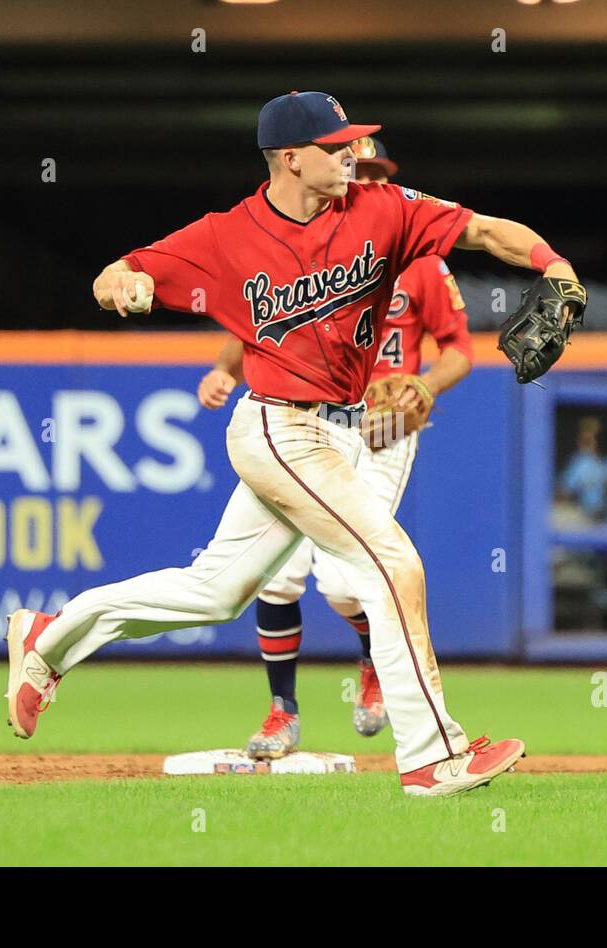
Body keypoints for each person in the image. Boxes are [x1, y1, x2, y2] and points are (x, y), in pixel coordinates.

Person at [3, 90, 583, 796]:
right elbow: (113, 276)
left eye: (352, 142)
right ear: (288, 158)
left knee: (216, 592)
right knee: (391, 562)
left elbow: (487, 233)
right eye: (335, 146)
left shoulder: (384, 208)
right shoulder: (225, 238)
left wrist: (554, 265)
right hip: (279, 426)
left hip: (337, 432)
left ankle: (48, 639)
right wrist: (121, 285)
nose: (351, 154)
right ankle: (433, 756)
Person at [195, 136, 474, 759]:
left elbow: (460, 348)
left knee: (347, 584)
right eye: (352, 164)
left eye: (371, 169)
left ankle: (376, 662)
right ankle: (281, 712)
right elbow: (255, 329)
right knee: (275, 576)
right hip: (305, 421)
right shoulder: (300, 249)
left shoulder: (420, 258)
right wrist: (222, 369)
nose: (359, 177)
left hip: (380, 424)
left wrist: (422, 388)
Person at [557, 416, 607, 524]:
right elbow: (564, 491)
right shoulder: (580, 462)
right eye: (582, 440)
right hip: (587, 521)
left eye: (589, 440)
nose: (584, 445)